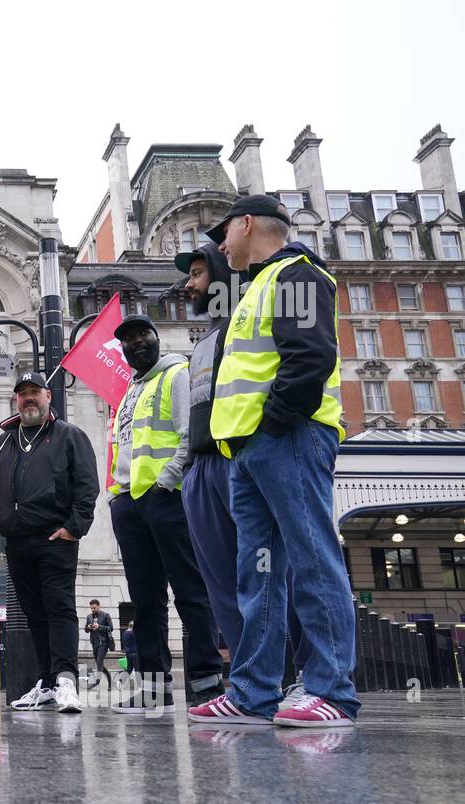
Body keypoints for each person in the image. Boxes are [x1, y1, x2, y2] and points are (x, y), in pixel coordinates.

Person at [189, 194, 359, 728]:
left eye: (224, 233)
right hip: (247, 449)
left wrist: (275, 421)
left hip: (286, 439)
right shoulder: (260, 285)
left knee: (312, 558)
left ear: (247, 224)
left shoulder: (296, 275)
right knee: (257, 574)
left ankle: (333, 691)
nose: (219, 245)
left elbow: (309, 357)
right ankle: (253, 694)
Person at [177, 241, 308, 701]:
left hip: (241, 458)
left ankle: (298, 677)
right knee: (222, 585)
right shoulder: (204, 339)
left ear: (220, 274)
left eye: (196, 273)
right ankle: (251, 688)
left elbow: (298, 365)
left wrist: (266, 434)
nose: (187, 284)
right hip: (201, 468)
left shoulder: (248, 319)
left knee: (267, 572)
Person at [0, 370, 99, 714]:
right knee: (35, 614)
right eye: (22, 394)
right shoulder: (3, 443)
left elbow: (86, 485)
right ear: (16, 400)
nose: (28, 398)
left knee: (59, 608)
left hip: (55, 537)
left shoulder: (68, 436)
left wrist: (73, 528)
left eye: (35, 391)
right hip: (17, 541)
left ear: (48, 396)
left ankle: (66, 680)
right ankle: (48, 683)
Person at [105, 314, 224, 716]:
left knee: (190, 591)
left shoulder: (175, 374)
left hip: (165, 498)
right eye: (128, 340)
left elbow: (189, 434)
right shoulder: (129, 390)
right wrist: (119, 495)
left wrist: (165, 482)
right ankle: (155, 689)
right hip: (130, 503)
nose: (136, 343)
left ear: (156, 339)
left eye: (143, 335)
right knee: (145, 601)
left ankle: (206, 683)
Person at [84, 600, 114, 689]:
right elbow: (85, 630)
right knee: (99, 664)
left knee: (99, 662)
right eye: (91, 608)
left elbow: (111, 628)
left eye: (94, 608)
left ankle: (97, 682)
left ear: (99, 606)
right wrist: (88, 627)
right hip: (94, 642)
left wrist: (99, 626)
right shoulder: (89, 617)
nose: (93, 609)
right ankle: (110, 682)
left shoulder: (105, 615)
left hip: (103, 643)